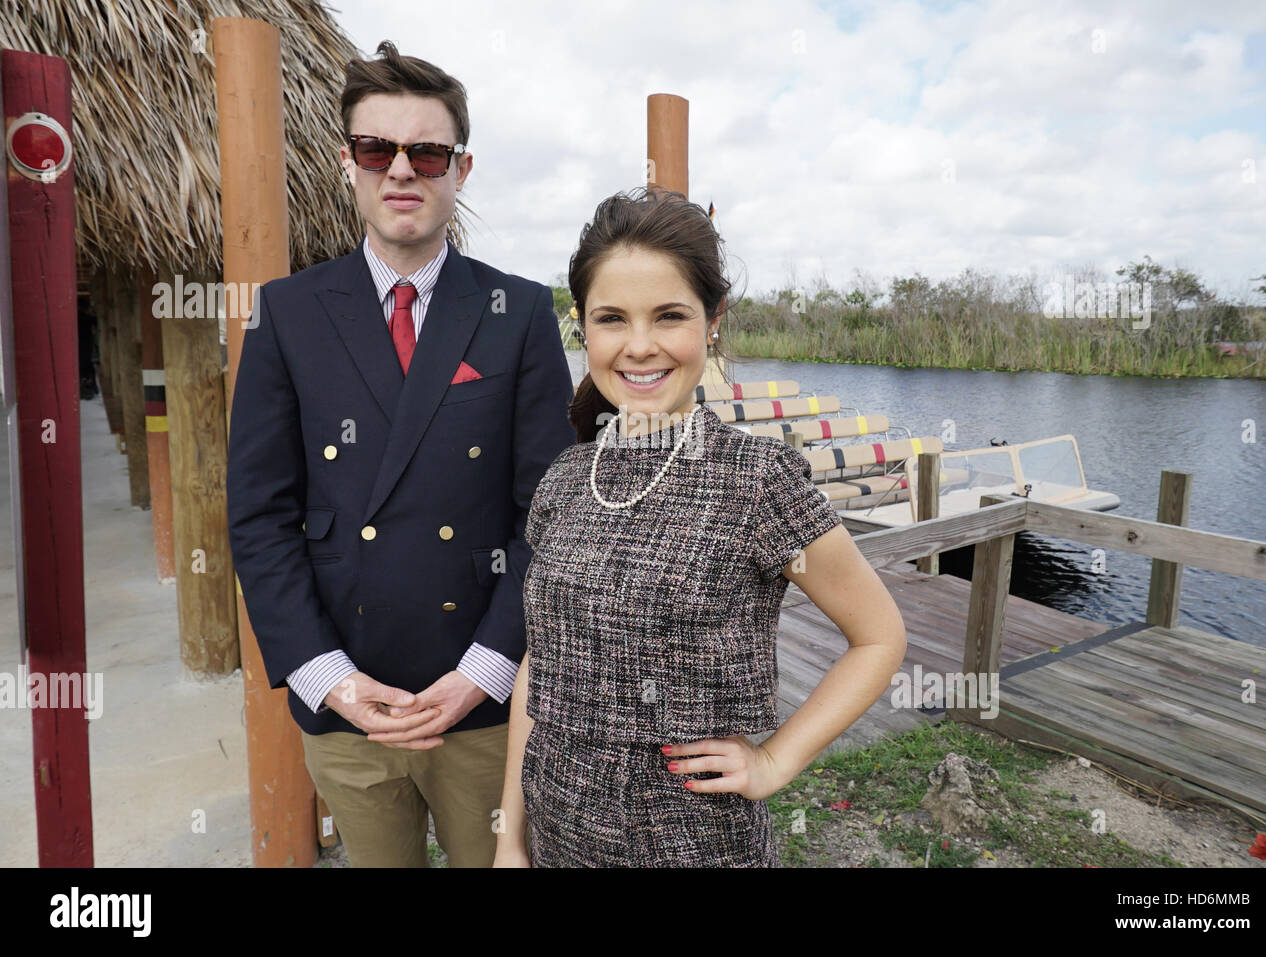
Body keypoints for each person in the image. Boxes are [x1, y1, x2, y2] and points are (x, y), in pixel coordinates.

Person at [226, 40, 576, 867]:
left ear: (461, 168)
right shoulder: (287, 313)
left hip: (486, 700)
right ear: (347, 162)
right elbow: (260, 516)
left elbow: (548, 515)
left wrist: (484, 670)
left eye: (427, 151)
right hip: (350, 700)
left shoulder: (518, 311)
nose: (402, 171)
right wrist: (325, 675)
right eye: (378, 148)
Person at [493, 188, 908, 867]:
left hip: (694, 843)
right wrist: (510, 834)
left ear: (713, 320)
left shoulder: (758, 479)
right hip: (558, 832)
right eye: (611, 318)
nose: (640, 345)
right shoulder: (565, 479)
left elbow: (879, 635)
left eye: (669, 315)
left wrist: (775, 758)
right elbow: (541, 664)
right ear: (582, 327)